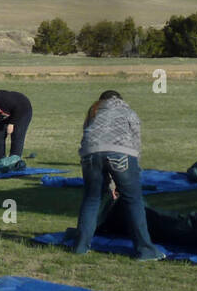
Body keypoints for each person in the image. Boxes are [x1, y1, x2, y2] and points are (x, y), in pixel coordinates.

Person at [70, 90, 165, 261]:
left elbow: (87, 136)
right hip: (122, 153)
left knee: (92, 199)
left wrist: (112, 184)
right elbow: (136, 144)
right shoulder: (128, 112)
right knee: (133, 199)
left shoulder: (94, 112)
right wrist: (134, 171)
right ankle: (145, 250)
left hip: (89, 154)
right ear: (120, 99)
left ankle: (80, 247)